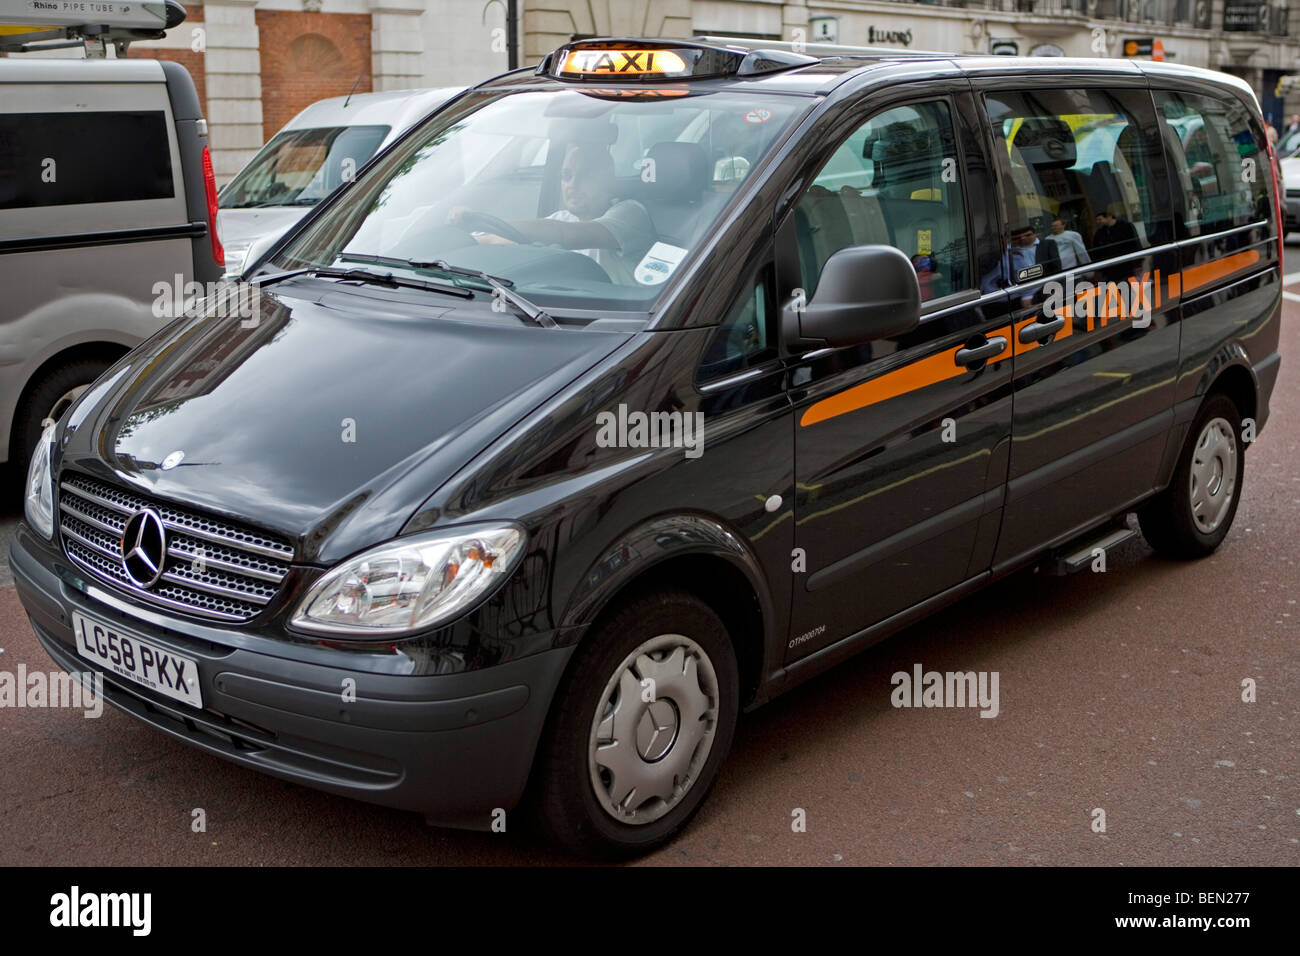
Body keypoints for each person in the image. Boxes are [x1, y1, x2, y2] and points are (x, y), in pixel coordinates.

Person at [448, 143, 655, 284]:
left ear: (609, 180)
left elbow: (565, 234)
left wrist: (481, 221)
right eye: (567, 176)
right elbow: (500, 239)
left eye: (585, 176)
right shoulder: (562, 218)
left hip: (626, 324)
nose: (572, 185)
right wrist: (462, 237)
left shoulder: (629, 214)